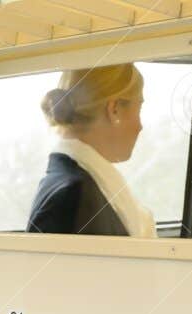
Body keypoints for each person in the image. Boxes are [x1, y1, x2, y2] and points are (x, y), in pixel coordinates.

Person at [26, 64, 156, 237]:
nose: (140, 126)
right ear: (114, 109)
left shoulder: (70, 184)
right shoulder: (77, 197)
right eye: (139, 109)